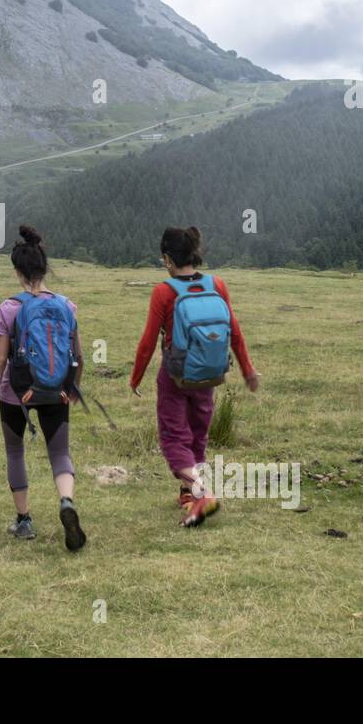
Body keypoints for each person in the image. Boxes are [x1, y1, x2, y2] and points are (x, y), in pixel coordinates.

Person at [129, 226, 260, 528]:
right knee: (197, 435)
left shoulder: (164, 291)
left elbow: (148, 341)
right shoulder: (218, 285)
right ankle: (189, 495)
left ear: (167, 259)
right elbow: (235, 332)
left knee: (174, 439)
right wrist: (247, 370)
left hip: (175, 377)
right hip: (210, 375)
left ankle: (203, 493)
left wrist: (135, 378)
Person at [0, 225, 86, 551]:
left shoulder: (9, 308)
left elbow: (0, 361)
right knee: (60, 453)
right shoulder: (67, 305)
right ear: (44, 266)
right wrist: (72, 389)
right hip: (57, 390)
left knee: (15, 452)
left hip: (18, 393)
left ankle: (24, 521)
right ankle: (66, 501)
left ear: (17, 271)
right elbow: (79, 356)